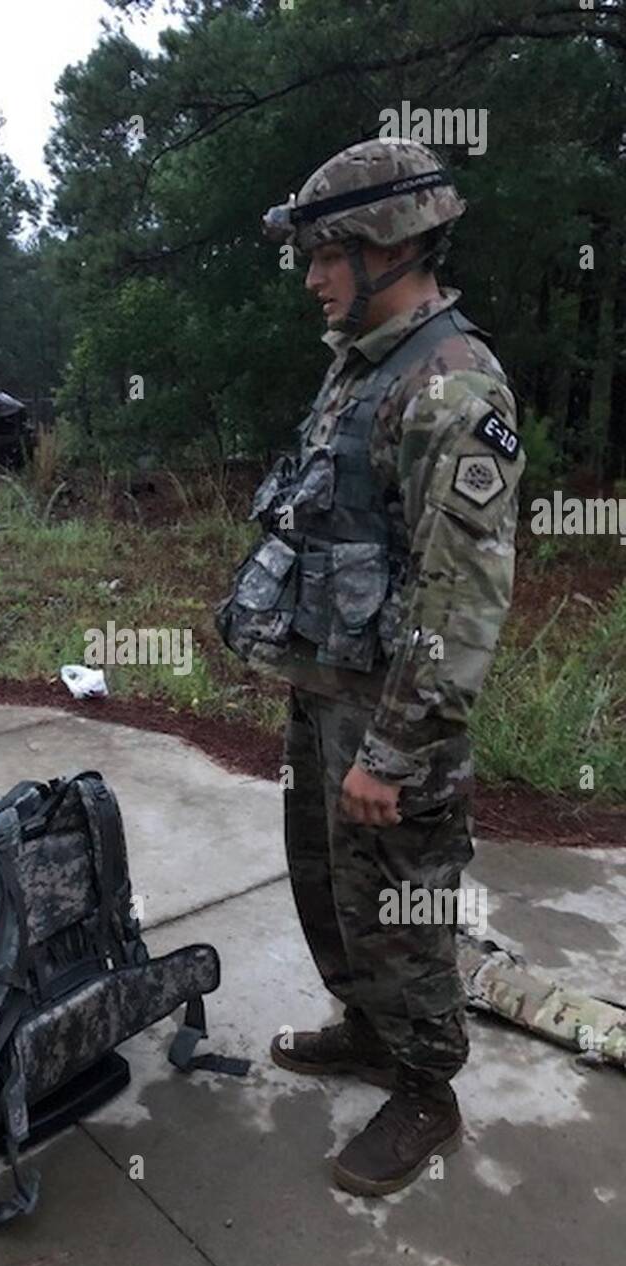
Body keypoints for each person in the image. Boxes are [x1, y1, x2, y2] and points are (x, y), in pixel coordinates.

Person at [220, 138, 524, 1196]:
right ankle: (363, 1027)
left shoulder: (452, 385)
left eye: (325, 254)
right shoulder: (363, 366)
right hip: (328, 699)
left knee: (404, 907)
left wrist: (394, 752)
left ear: (389, 247)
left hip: (394, 721)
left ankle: (427, 1088)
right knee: (326, 881)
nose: (311, 276)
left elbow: (463, 592)